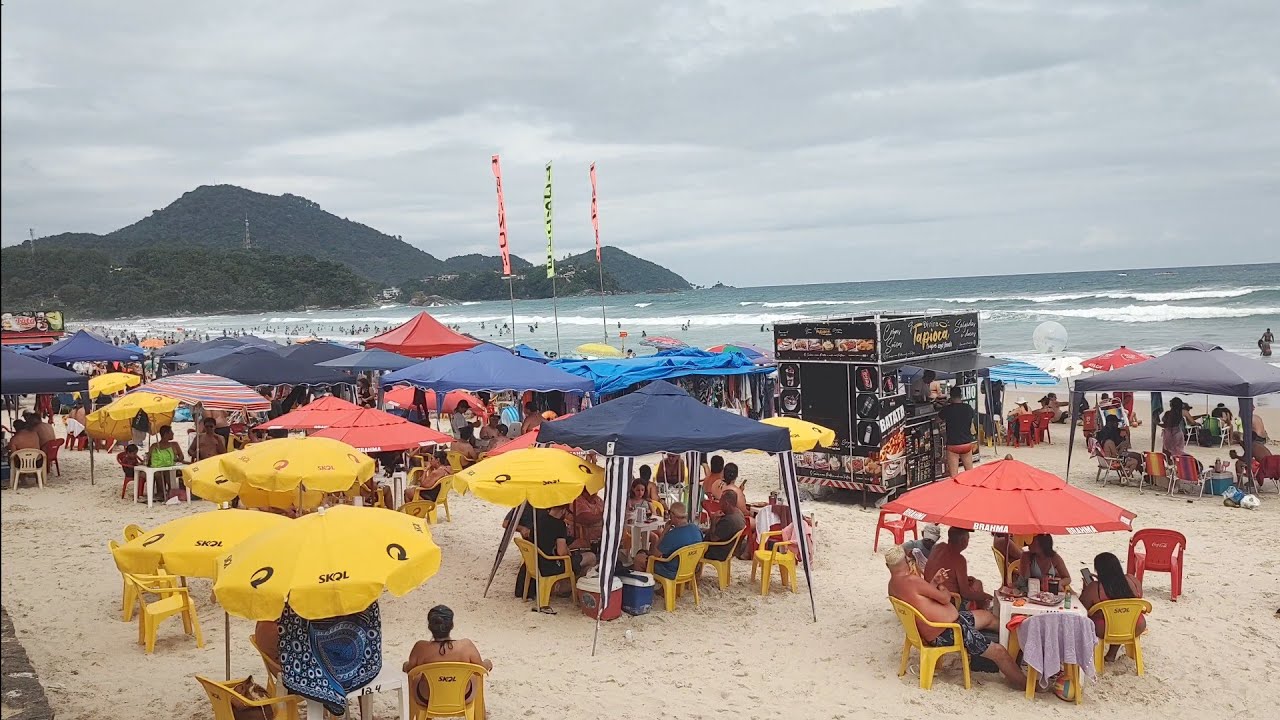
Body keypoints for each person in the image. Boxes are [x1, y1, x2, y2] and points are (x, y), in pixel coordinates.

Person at [885, 546, 1025, 689]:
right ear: (907, 561)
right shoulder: (912, 580)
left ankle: (1018, 645)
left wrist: (934, 583)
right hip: (949, 632)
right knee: (999, 652)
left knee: (988, 617)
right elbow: (945, 598)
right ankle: (1024, 684)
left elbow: (921, 598)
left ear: (888, 566)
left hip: (944, 627)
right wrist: (942, 587)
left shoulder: (893, 585)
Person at [403, 606, 492, 706]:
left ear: (429, 627)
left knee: (418, 676)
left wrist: (405, 665)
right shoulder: (466, 646)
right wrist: (487, 663)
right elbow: (480, 669)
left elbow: (409, 669)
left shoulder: (420, 647)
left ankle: (420, 713)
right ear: (452, 625)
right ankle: (479, 712)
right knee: (473, 675)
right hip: (463, 697)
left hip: (427, 699)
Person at [1079, 552, 1146, 660]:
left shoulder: (1094, 588)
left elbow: (1082, 608)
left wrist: (1086, 588)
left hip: (1105, 629)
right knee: (1121, 615)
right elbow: (1137, 598)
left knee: (1099, 617)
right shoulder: (1132, 580)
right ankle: (1112, 654)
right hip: (1136, 626)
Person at [923, 527, 992, 609]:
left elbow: (946, 570)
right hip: (949, 600)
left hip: (930, 591)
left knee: (974, 583)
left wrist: (964, 579)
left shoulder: (938, 547)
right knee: (978, 585)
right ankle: (982, 611)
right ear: (963, 541)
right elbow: (966, 593)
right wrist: (986, 596)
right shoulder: (959, 559)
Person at [641, 502, 703, 580]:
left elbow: (654, 555)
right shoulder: (696, 529)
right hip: (691, 569)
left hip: (672, 572)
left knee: (640, 559)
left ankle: (642, 584)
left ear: (672, 515)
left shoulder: (672, 535)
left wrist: (664, 531)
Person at [938, 387, 977, 477]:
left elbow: (937, 419)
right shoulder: (968, 408)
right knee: (970, 473)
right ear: (961, 395)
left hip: (953, 444)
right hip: (966, 443)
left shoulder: (947, 409)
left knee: (954, 476)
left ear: (951, 396)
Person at [703, 489, 746, 561]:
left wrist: (713, 520)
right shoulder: (739, 513)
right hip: (728, 546)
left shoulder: (729, 521)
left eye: (720, 501)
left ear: (726, 503)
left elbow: (713, 538)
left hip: (718, 551)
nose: (719, 503)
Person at [146, 425, 186, 498]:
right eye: (171, 432)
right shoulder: (155, 446)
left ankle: (167, 491)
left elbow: (181, 457)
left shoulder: (174, 444)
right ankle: (164, 492)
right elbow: (149, 458)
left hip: (172, 467)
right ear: (166, 434)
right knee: (158, 473)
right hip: (161, 468)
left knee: (166, 471)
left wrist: (177, 459)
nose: (173, 433)